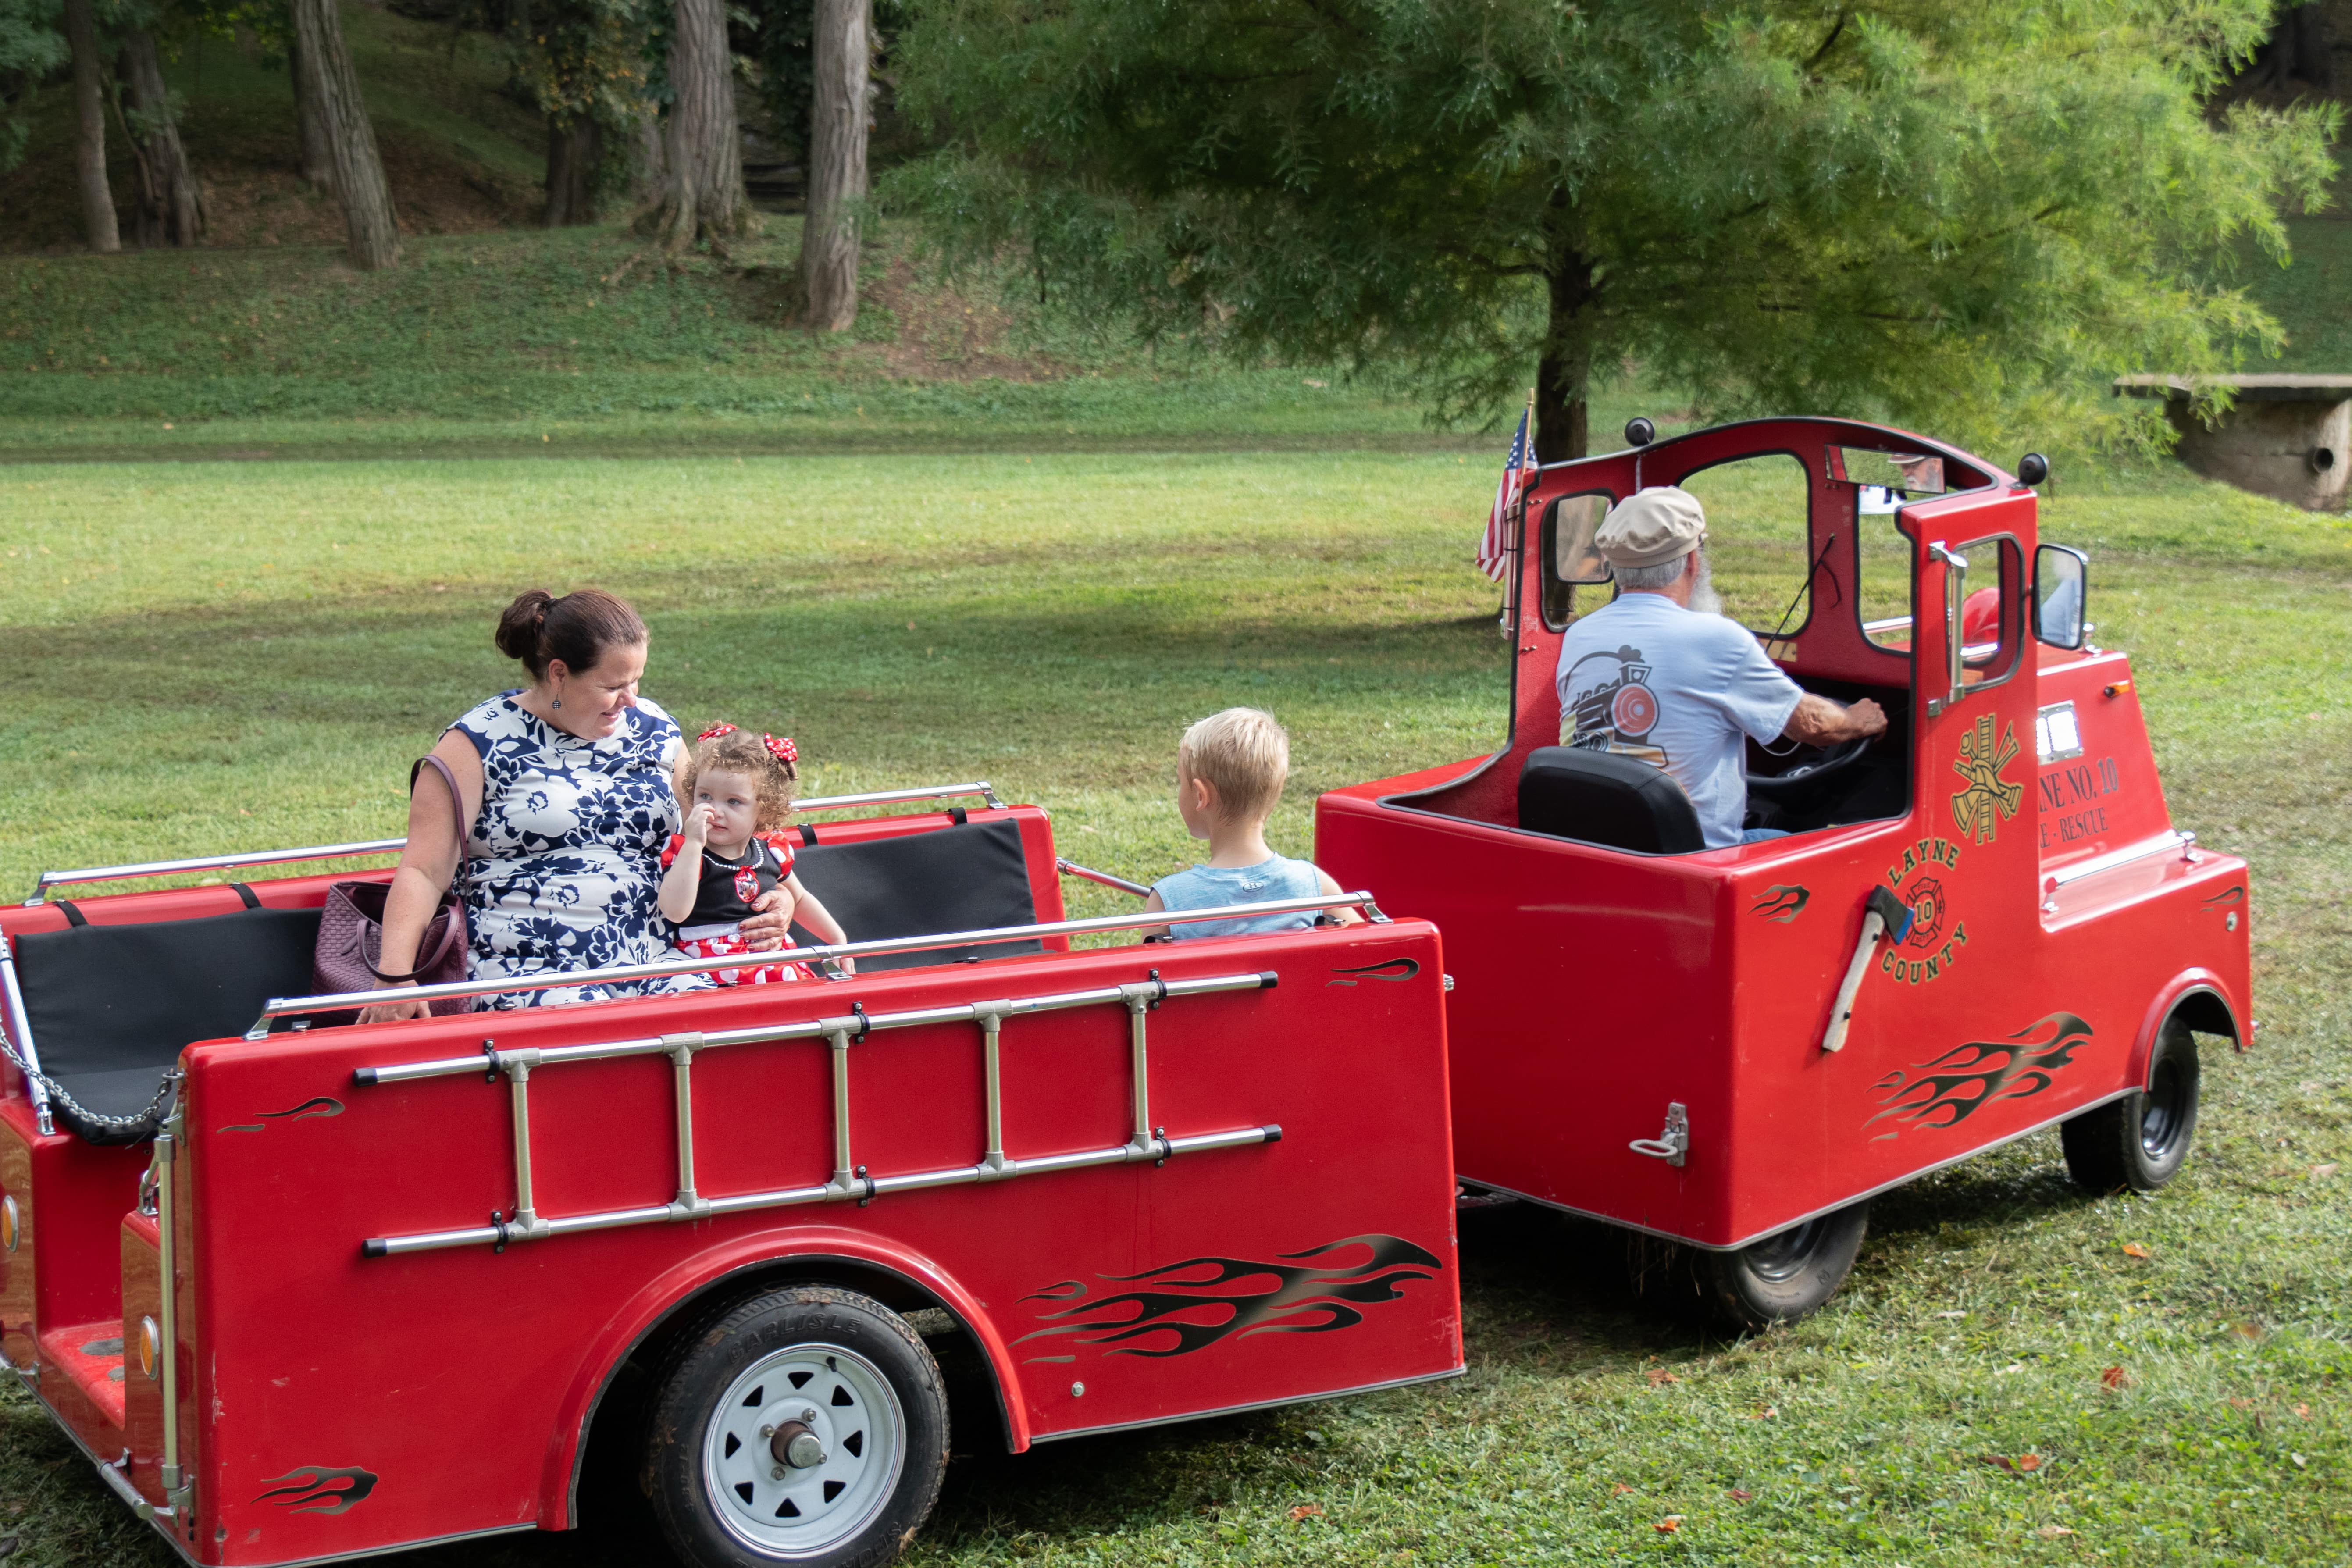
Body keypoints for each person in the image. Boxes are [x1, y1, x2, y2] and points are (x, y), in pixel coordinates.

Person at [357, 588, 791, 1021]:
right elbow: (423, 871)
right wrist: (394, 976)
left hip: (653, 957)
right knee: (594, 1039)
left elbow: (721, 830)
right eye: (613, 686)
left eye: (636, 681)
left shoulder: (655, 730)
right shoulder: (476, 744)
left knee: (727, 1019)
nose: (632, 699)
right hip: (530, 974)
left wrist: (782, 898)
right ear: (559, 674)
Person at [1555, 487, 1886, 849]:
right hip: (1698, 858)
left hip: (1602, 849)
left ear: (1617, 571)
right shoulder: (1716, 639)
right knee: (1857, 854)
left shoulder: (1579, 635)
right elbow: (1813, 724)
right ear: (1692, 563)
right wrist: (1858, 718)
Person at [1141, 708, 1364, 939]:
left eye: (1181, 782)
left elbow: (1148, 972)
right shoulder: (1315, 886)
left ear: (1200, 796)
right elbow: (1374, 950)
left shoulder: (1168, 902)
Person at [658, 723, 853, 984]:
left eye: (733, 801)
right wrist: (693, 843)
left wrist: (837, 940)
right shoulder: (688, 853)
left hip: (772, 962)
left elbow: (801, 899)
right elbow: (674, 912)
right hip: (707, 968)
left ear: (764, 810)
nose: (715, 810)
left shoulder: (770, 851)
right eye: (705, 796)